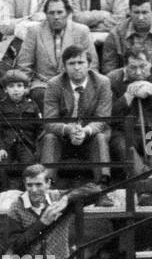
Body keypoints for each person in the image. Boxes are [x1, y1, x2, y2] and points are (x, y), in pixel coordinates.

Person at [40, 45, 114, 192]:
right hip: (63, 136)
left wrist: (85, 131)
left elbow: (102, 118)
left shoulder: (102, 82)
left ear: (89, 65)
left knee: (100, 136)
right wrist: (69, 130)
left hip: (90, 135)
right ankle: (47, 187)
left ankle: (102, 186)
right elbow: (49, 120)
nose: (77, 67)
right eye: (71, 64)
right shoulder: (54, 84)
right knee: (49, 137)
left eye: (81, 63)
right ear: (64, 67)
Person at [109, 45, 152, 203]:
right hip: (127, 133)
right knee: (123, 146)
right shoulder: (113, 78)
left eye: (143, 67)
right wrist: (128, 96)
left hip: (151, 133)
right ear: (125, 65)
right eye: (133, 68)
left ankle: (145, 190)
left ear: (151, 63)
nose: (138, 72)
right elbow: (110, 115)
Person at [18, 0, 98, 109]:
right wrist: (25, 87)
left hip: (74, 82)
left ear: (68, 13)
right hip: (43, 83)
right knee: (42, 95)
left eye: (60, 12)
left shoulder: (81, 31)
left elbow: (92, 64)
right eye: (51, 13)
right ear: (45, 14)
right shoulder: (34, 32)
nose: (56, 17)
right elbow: (24, 64)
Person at [0, 69, 43, 190]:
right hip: (7, 145)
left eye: (20, 86)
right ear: (5, 89)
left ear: (25, 88)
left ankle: (24, 195)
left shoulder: (32, 105)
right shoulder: (0, 106)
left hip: (27, 145)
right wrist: (0, 148)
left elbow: (40, 128)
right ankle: (4, 193)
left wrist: (37, 148)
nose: (16, 89)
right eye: (11, 86)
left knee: (29, 167)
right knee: (0, 165)